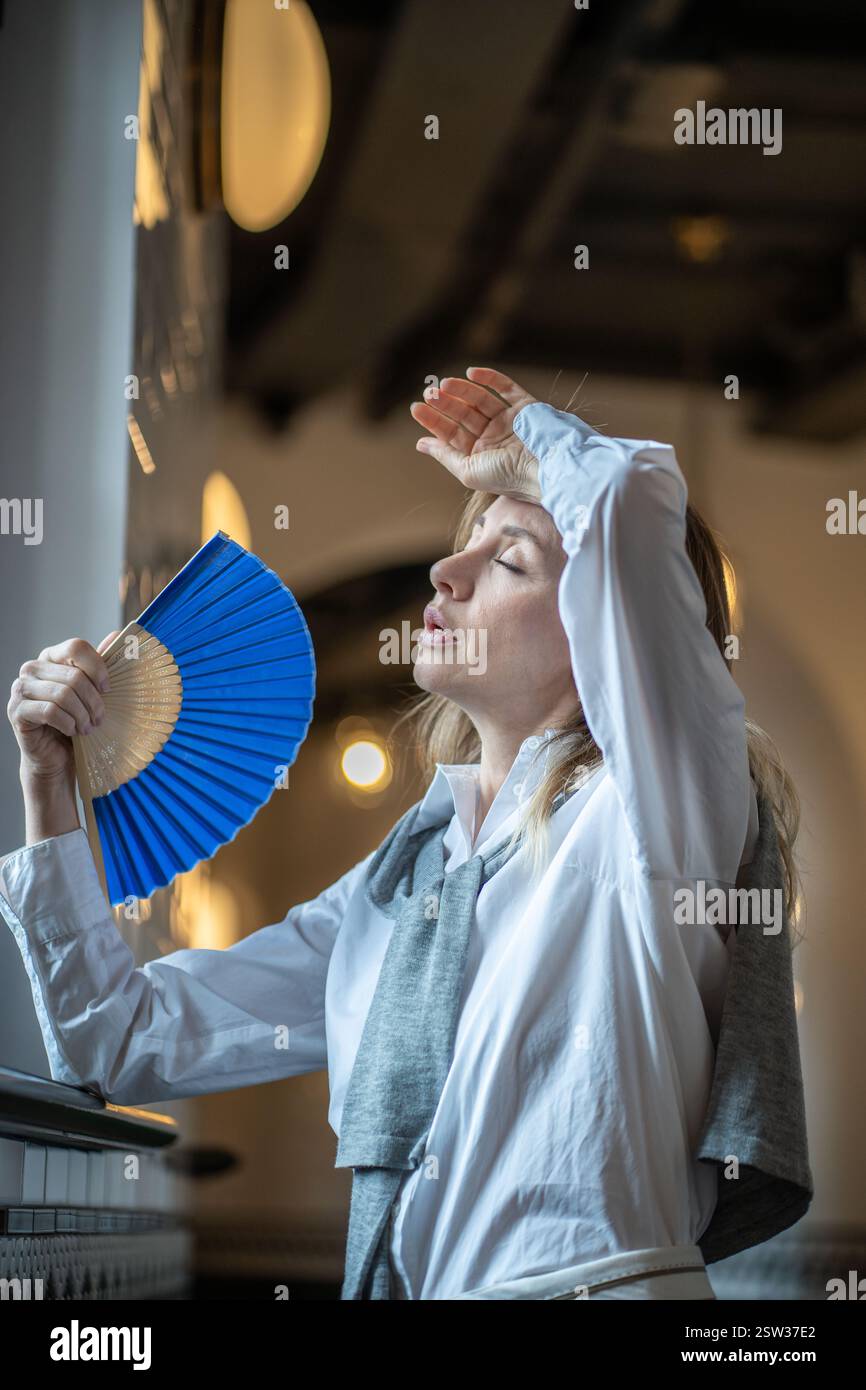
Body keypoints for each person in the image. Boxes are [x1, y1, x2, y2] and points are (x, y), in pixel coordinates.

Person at [1, 366, 800, 1300]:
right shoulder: (409, 884)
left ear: (605, 632)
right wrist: (47, 784)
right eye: (471, 546)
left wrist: (537, 437)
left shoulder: (654, 811)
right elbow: (120, 1042)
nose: (443, 571)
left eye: (508, 560)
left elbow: (626, 500)